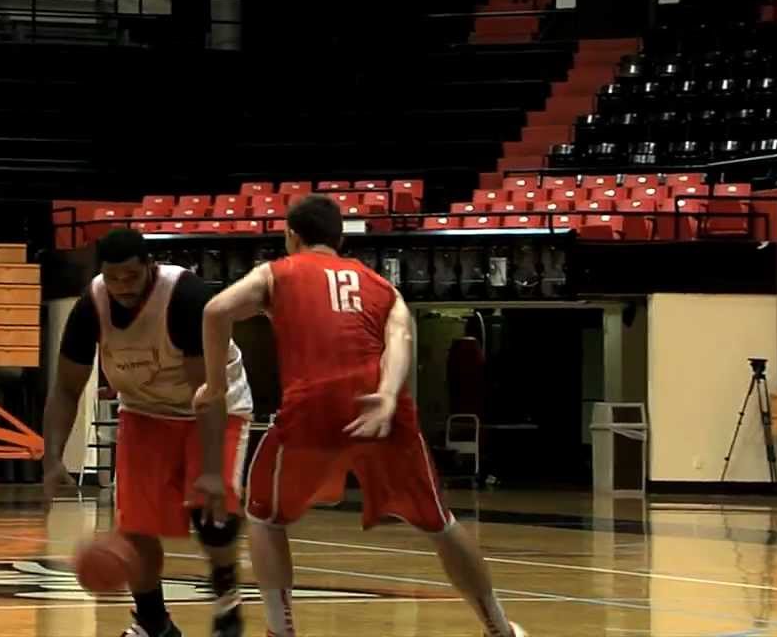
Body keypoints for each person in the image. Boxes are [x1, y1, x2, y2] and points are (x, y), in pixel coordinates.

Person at [197, 195, 528, 637]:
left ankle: (281, 630)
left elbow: (215, 310)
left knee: (264, 517)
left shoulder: (277, 272)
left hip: (312, 405)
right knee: (440, 523)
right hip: (380, 406)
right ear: (340, 238)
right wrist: (388, 395)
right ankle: (499, 628)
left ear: (291, 235)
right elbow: (401, 337)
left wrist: (216, 385)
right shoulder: (381, 285)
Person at [42, 228, 253, 637]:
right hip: (144, 410)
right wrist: (52, 458)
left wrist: (211, 471)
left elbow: (206, 392)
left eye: (132, 277)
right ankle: (154, 624)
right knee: (136, 527)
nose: (122, 286)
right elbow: (66, 387)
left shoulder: (185, 297)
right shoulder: (91, 306)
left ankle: (227, 600)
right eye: (114, 278)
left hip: (212, 406)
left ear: (150, 268)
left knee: (213, 515)